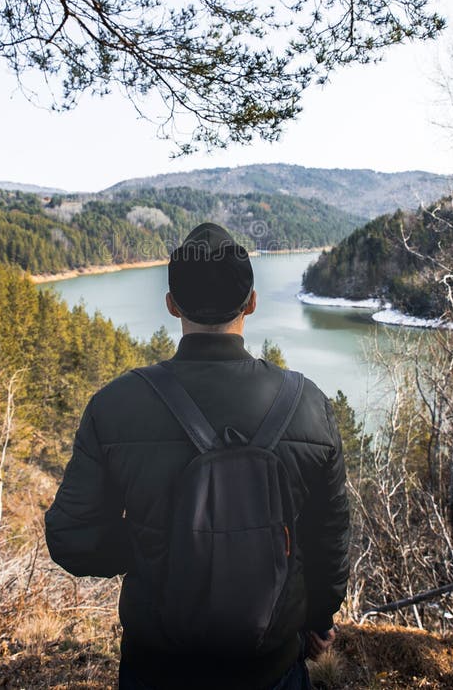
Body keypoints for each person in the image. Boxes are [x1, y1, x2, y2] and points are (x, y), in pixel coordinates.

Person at [45, 223, 350, 690]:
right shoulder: (308, 404)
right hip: (271, 669)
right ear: (250, 301)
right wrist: (318, 618)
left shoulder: (115, 404)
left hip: (157, 669)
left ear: (172, 304)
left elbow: (70, 536)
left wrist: (150, 548)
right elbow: (327, 538)